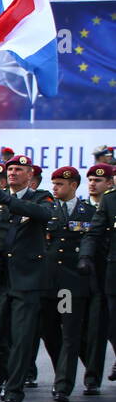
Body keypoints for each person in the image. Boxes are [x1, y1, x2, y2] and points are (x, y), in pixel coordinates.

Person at [0, 155, 52, 402]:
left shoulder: (40, 197)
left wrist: (9, 200)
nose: (13, 173)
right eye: (10, 169)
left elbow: (43, 214)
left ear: (30, 174)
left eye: (19, 169)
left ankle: (14, 389)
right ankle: (12, 371)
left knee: (22, 336)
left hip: (26, 278)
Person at [40, 167, 94, 402]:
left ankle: (63, 384)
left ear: (73, 185)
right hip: (45, 283)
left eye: (60, 184)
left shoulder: (88, 213)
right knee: (49, 333)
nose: (55, 188)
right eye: (53, 184)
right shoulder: (46, 210)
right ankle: (60, 371)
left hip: (69, 286)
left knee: (70, 334)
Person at [80, 163, 116, 385]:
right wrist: (85, 256)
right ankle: (92, 377)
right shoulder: (110, 200)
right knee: (109, 324)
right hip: (110, 272)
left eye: (98, 180)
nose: (93, 184)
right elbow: (93, 233)